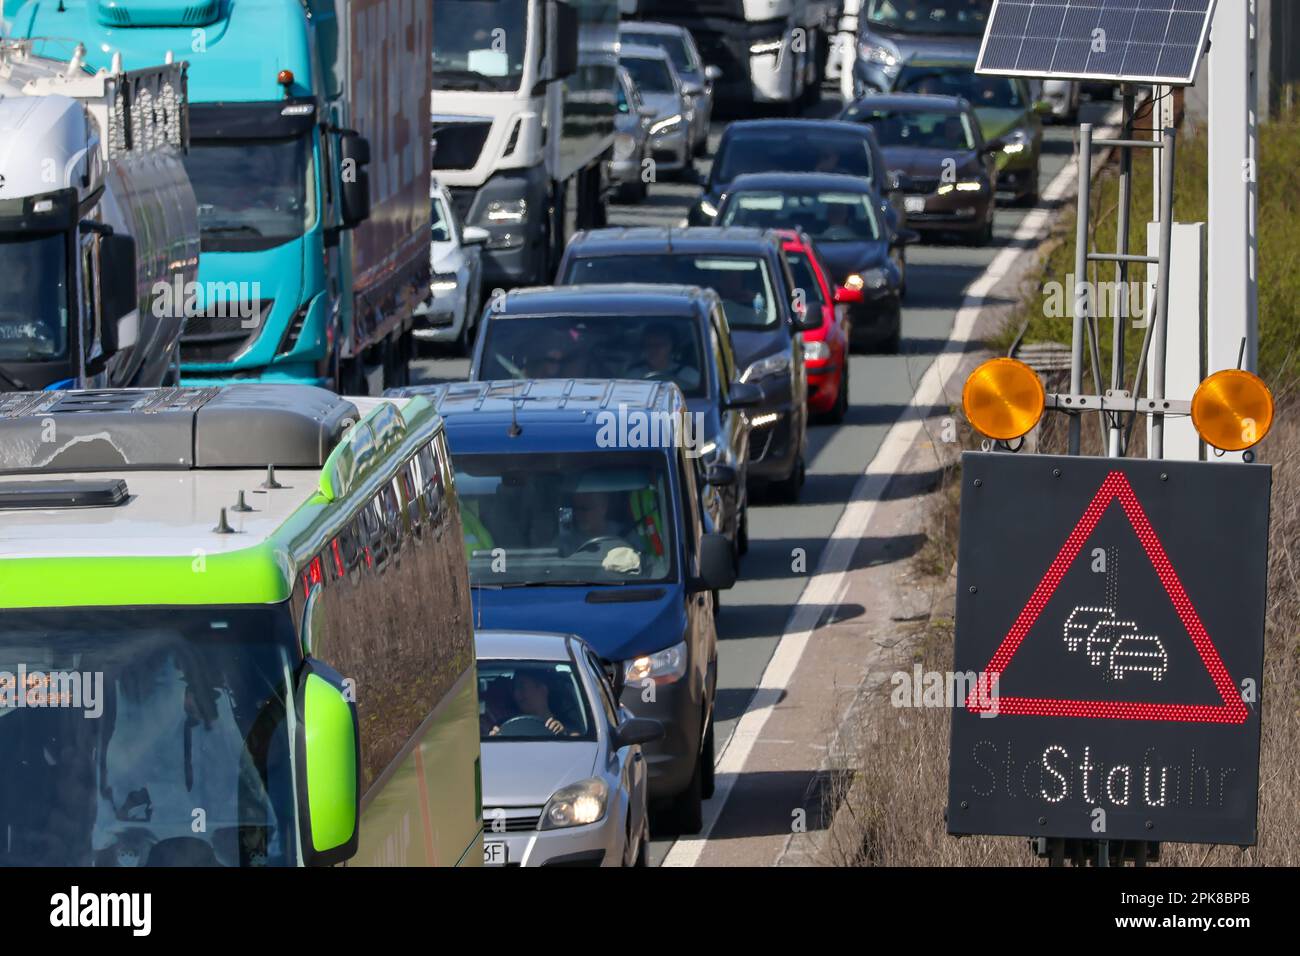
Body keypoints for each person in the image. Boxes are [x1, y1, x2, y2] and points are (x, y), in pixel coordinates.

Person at [486, 671, 574, 736]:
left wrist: (564, 735)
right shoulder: (504, 726)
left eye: (521, 686)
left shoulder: (567, 724)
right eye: (514, 688)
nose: (517, 693)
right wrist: (495, 738)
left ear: (542, 689)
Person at [627, 322, 700, 391]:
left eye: (660, 344)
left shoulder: (690, 376)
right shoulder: (633, 376)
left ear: (672, 347)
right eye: (649, 344)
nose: (653, 349)